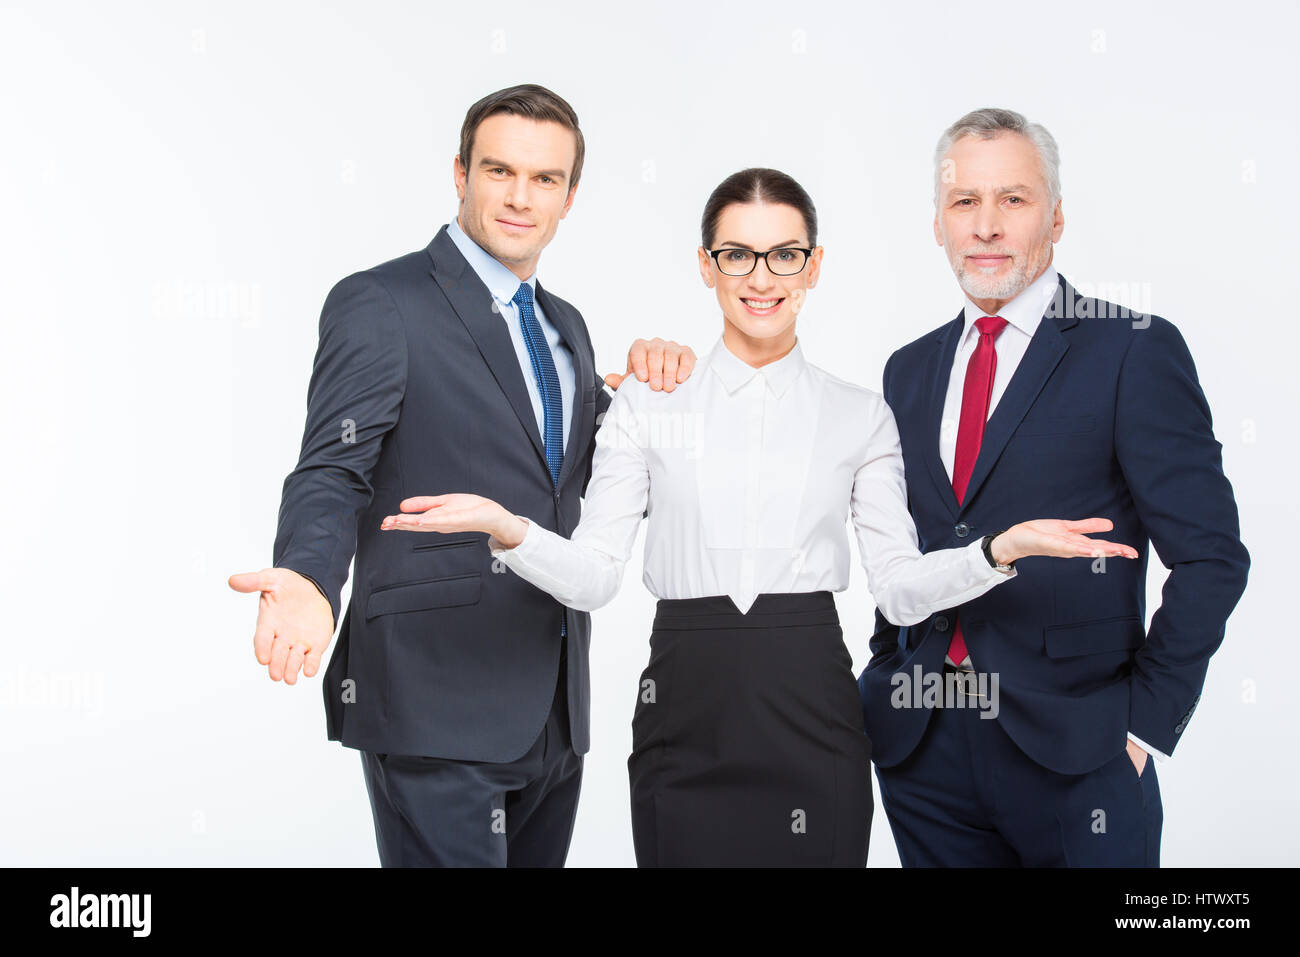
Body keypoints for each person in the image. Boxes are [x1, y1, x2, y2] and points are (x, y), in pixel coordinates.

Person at [381, 167, 1138, 867]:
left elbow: (901, 590)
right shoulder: (649, 400)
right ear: (707, 265)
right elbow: (593, 578)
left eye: (784, 255)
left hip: (813, 717)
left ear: (813, 267)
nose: (761, 277)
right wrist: (507, 528)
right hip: (683, 712)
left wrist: (996, 552)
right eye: (738, 254)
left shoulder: (860, 415)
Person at [228, 84, 697, 867]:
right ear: (460, 173)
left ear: (569, 197)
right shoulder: (383, 302)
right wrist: (311, 574)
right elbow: (333, 466)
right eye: (499, 171)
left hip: (553, 701)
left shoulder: (566, 325)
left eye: (545, 179)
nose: (520, 197)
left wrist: (652, 398)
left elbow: (569, 475)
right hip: (433, 695)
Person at [857, 108, 1250, 867]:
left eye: (1014, 199)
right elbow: (902, 547)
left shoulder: (1132, 351)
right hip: (924, 747)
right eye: (964, 202)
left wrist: (1141, 728)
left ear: (1057, 216)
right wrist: (889, 665)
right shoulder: (908, 369)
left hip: (1081, 754)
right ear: (937, 223)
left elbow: (1211, 560)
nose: (987, 225)